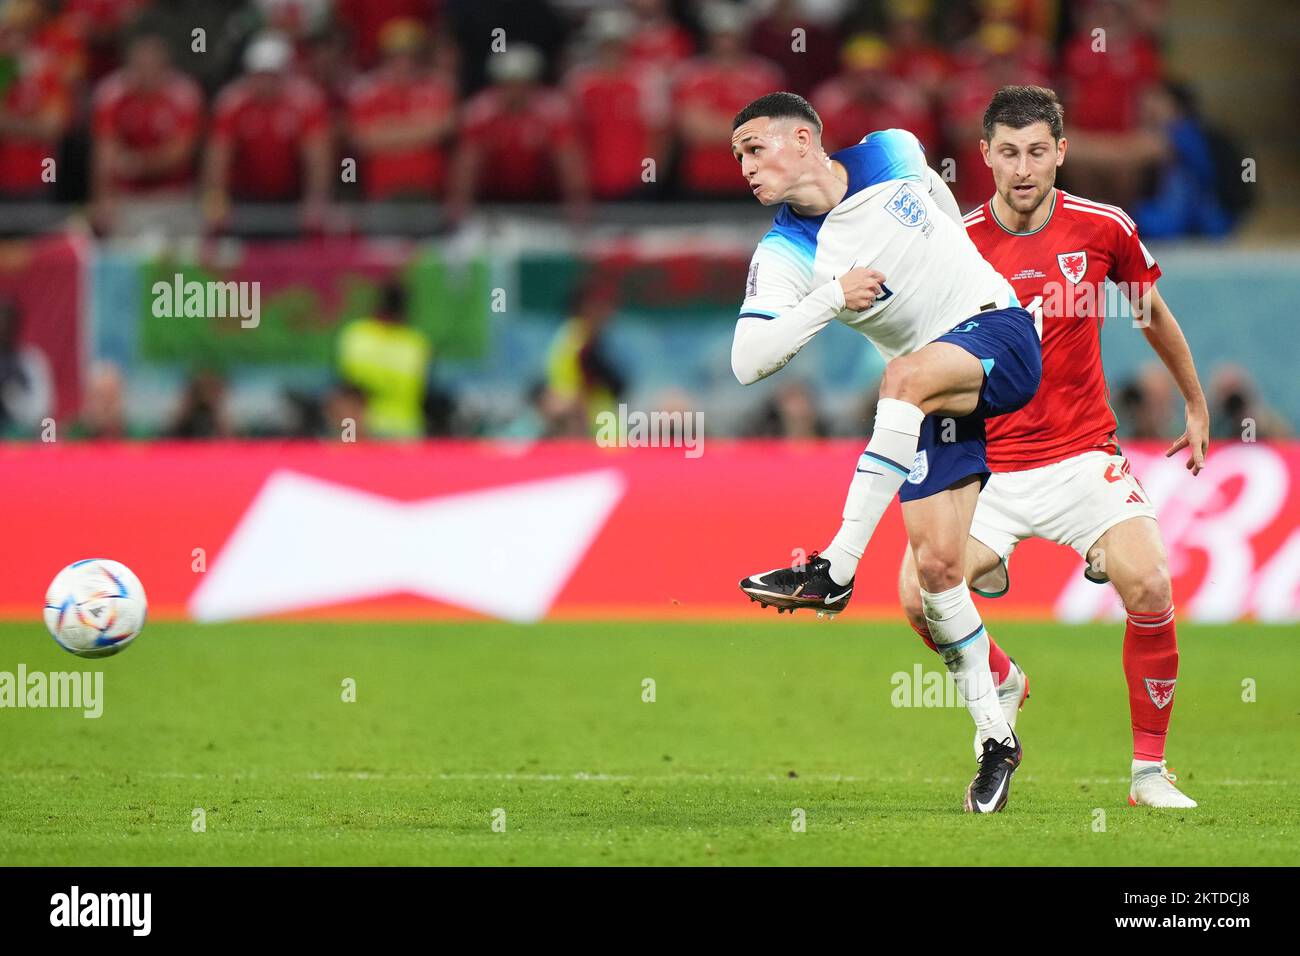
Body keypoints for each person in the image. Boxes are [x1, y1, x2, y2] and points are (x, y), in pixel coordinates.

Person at [894, 85, 1207, 808]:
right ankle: (1003, 679)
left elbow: (1150, 312)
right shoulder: (956, 243)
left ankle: (1148, 775)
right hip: (985, 471)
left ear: (1061, 153)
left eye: (1038, 151)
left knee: (1152, 584)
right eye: (1008, 152)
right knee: (916, 596)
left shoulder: (1104, 228)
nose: (1024, 168)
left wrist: (1193, 401)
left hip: (1082, 460)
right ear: (985, 157)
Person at [729, 92, 1041, 813]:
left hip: (997, 335)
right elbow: (749, 361)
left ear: (804, 139)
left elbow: (938, 200)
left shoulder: (893, 148)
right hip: (931, 396)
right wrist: (828, 299)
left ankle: (835, 568)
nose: (745, 167)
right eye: (739, 156)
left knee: (897, 374)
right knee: (934, 576)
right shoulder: (786, 252)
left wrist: (958, 268)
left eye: (754, 147)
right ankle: (998, 733)